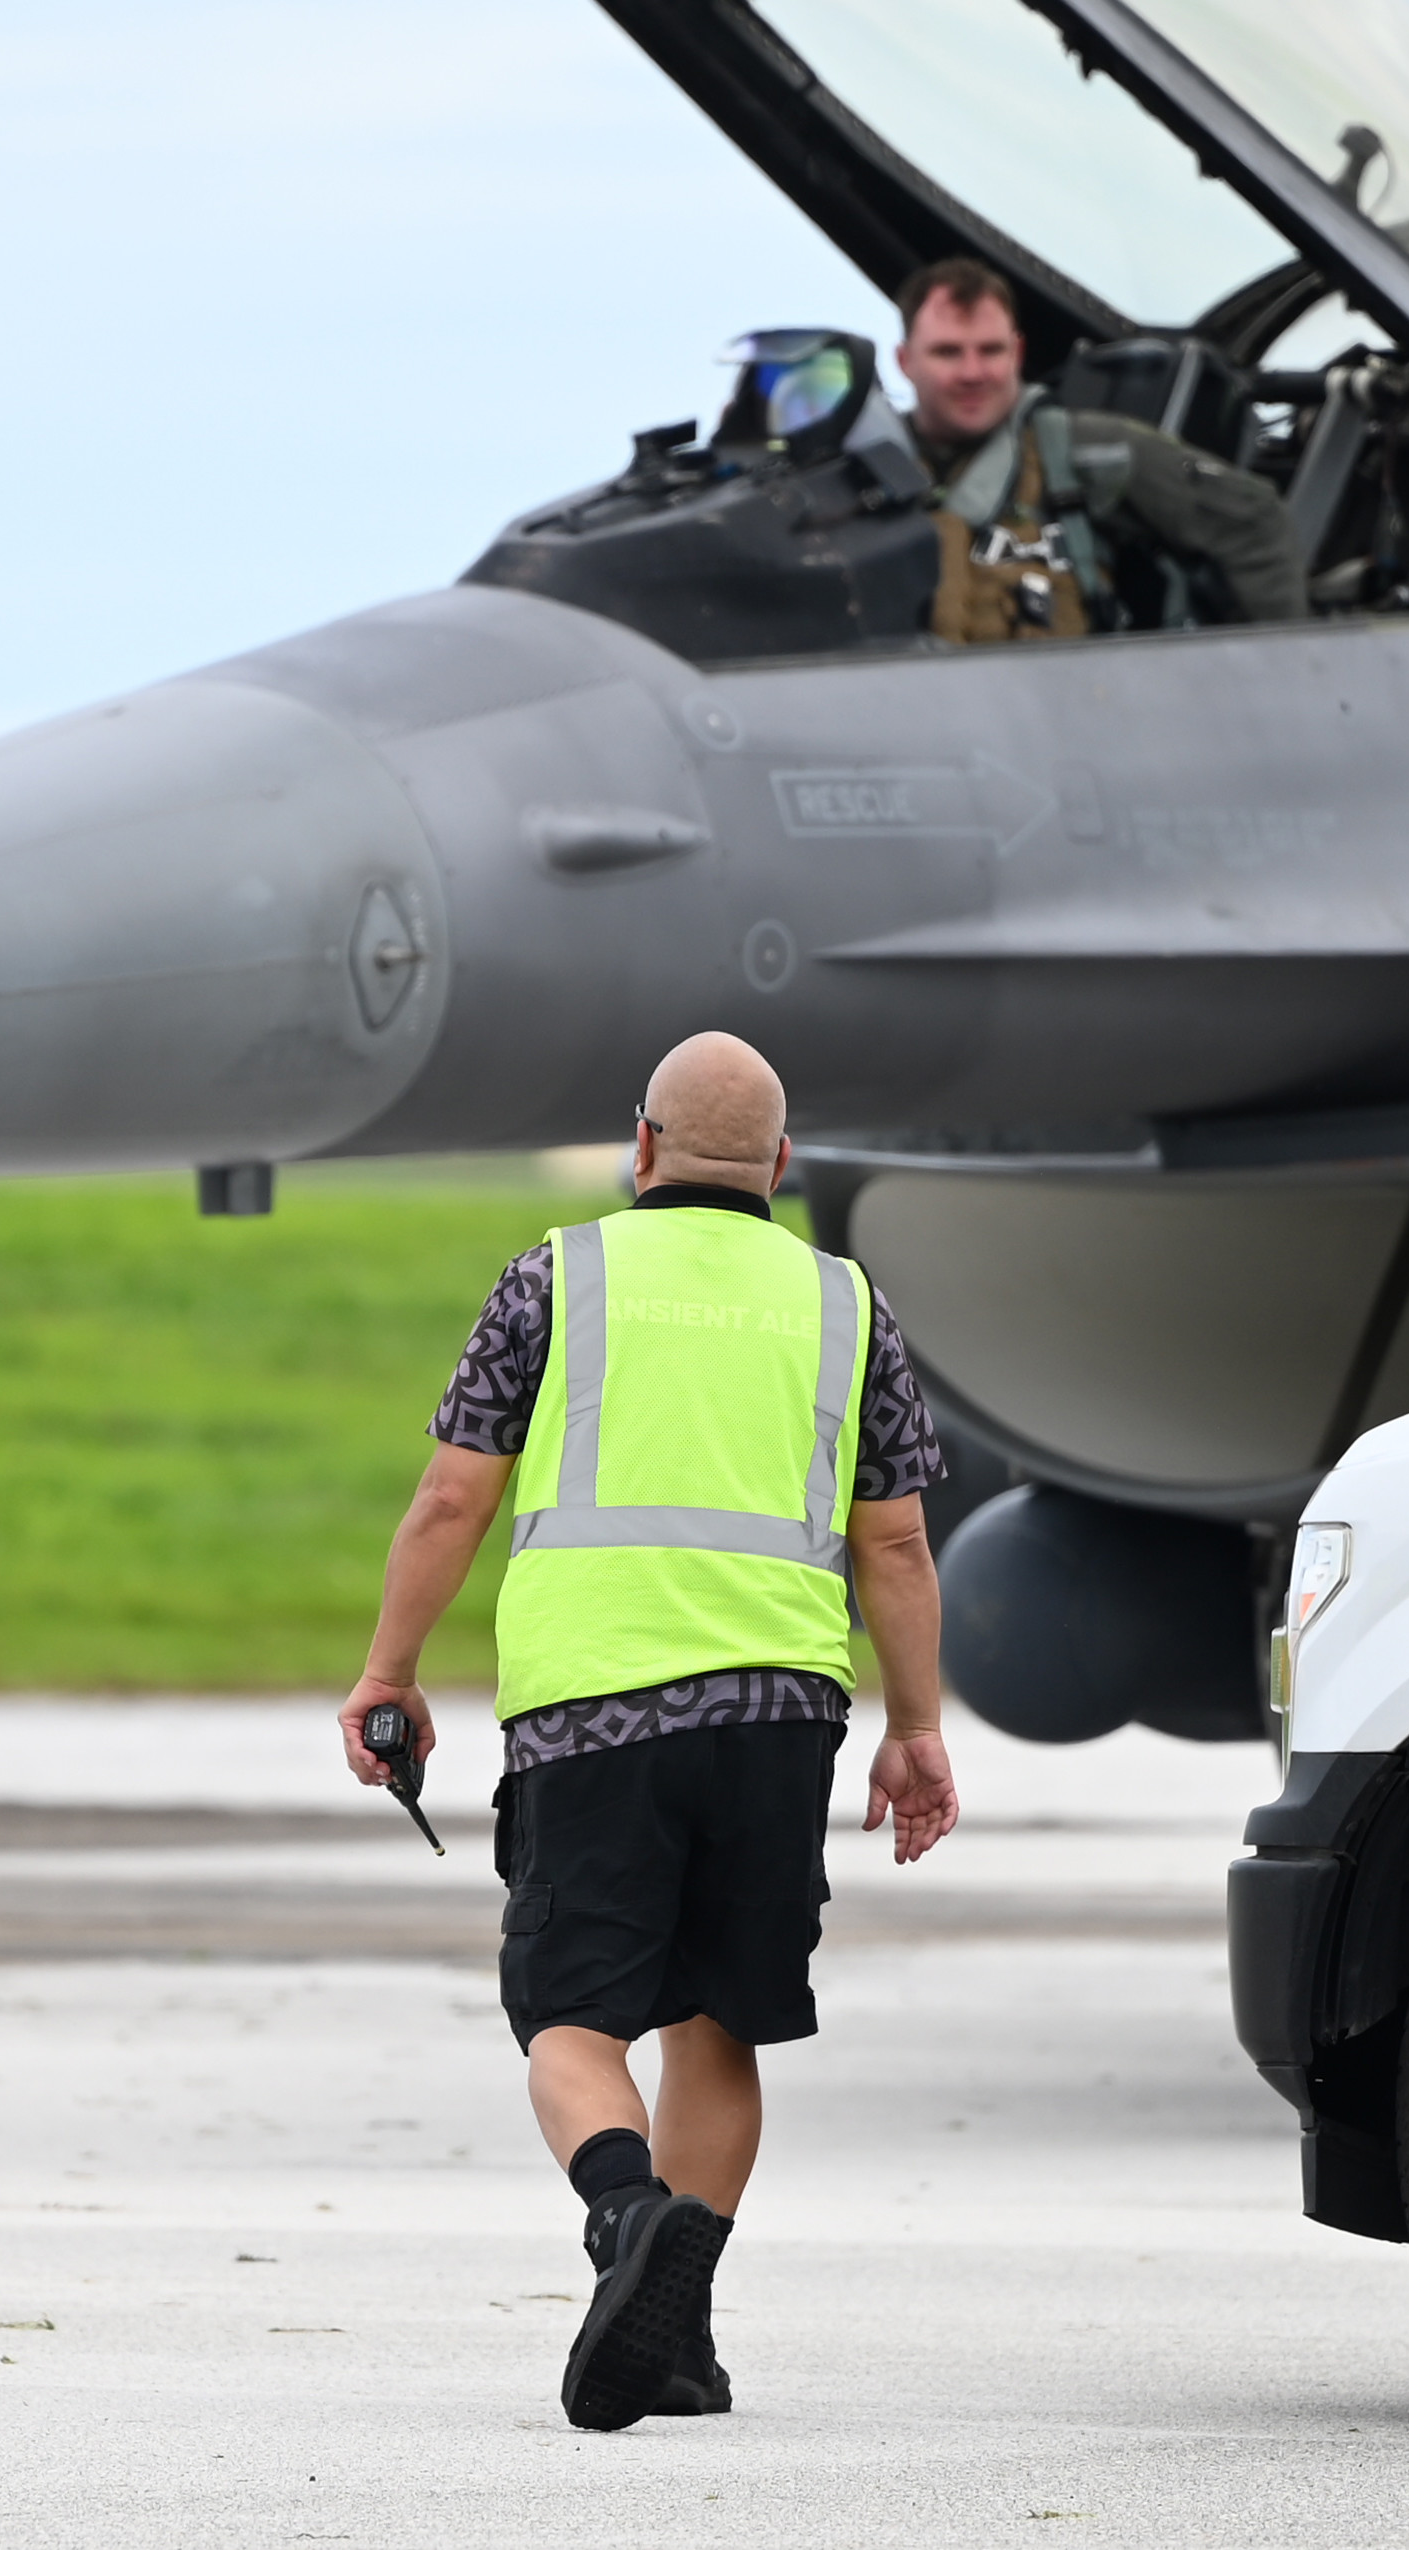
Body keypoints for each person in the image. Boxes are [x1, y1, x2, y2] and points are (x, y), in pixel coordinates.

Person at [337, 1030, 960, 2430]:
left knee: (568, 2016)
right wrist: (914, 1728)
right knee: (715, 2023)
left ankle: (625, 2224)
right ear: (781, 1167)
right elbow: (901, 1544)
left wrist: (390, 1665)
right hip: (779, 1714)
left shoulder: (556, 1276)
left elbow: (451, 1500)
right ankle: (681, 2339)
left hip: (591, 1706)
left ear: (642, 1149)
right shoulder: (846, 1303)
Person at [892, 257, 1304, 640]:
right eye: (947, 352)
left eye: (990, 350)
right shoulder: (859, 470)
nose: (972, 373)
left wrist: (1279, 676)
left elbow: (1254, 520)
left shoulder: (1090, 450)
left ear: (1017, 353)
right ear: (905, 361)